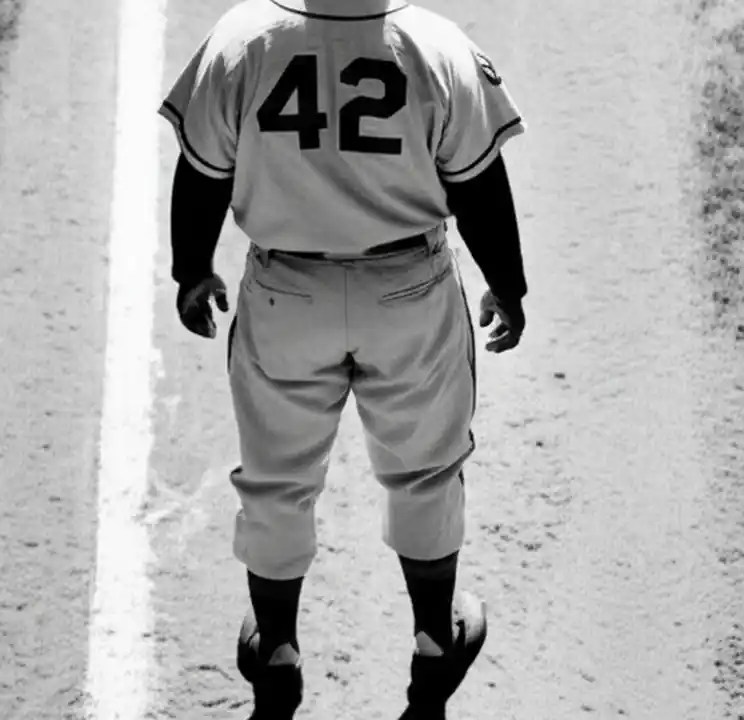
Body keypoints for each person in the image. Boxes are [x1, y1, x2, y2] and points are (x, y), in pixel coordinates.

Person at [159, 1, 526, 717]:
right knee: (425, 471)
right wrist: (507, 286)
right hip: (408, 294)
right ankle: (433, 642)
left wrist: (191, 270)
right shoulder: (432, 43)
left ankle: (276, 652)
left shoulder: (244, 38)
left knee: (276, 480)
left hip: (287, 296)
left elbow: (201, 173)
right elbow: (480, 186)